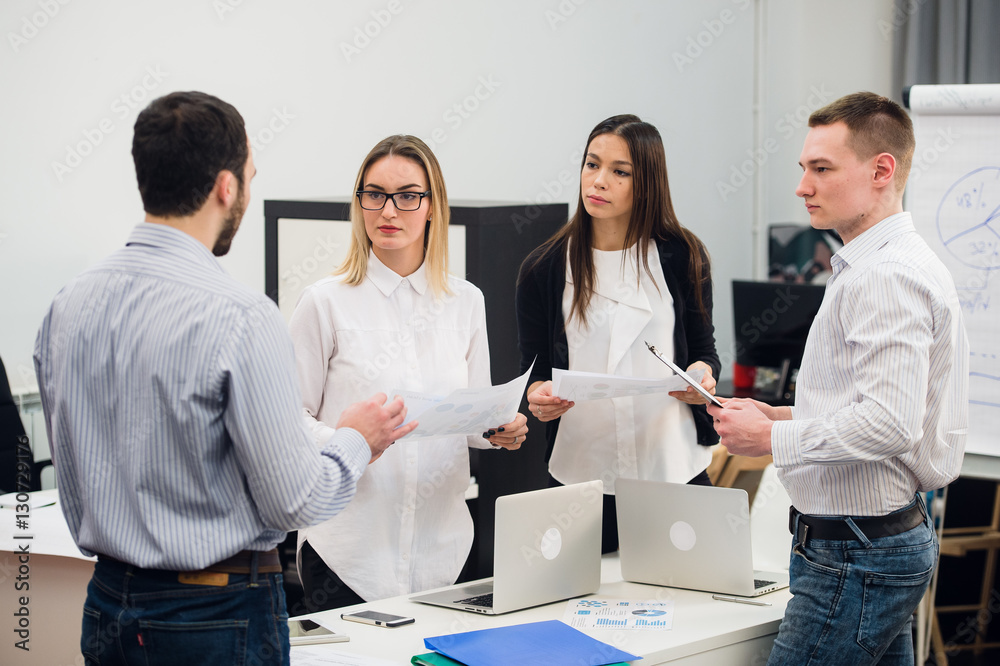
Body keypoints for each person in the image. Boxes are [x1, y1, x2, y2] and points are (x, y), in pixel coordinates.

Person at [33, 91, 416, 666]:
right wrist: (356, 439)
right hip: (214, 618)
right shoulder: (240, 316)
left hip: (108, 605)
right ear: (226, 187)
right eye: (250, 176)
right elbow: (296, 501)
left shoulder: (68, 305)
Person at [708, 92, 969, 665]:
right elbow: (872, 406)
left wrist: (771, 440)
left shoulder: (885, 276)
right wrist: (782, 416)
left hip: (858, 554)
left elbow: (889, 423)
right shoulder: (883, 264)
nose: (803, 186)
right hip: (870, 544)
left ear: (881, 171)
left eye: (821, 169)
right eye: (803, 168)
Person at [289, 135, 529, 610]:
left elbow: (474, 420)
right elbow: (286, 419)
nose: (388, 211)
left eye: (407, 196)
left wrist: (500, 427)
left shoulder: (466, 301)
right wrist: (351, 438)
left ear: (433, 206)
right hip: (347, 556)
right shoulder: (325, 302)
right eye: (373, 194)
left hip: (446, 551)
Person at [516, 114, 720, 553]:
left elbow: (704, 351)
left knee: (688, 606)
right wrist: (538, 396)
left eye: (619, 171)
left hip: (672, 466)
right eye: (592, 165)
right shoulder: (544, 267)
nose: (599, 181)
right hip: (580, 473)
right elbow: (530, 366)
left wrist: (701, 379)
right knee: (581, 608)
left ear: (646, 183)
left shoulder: (682, 255)